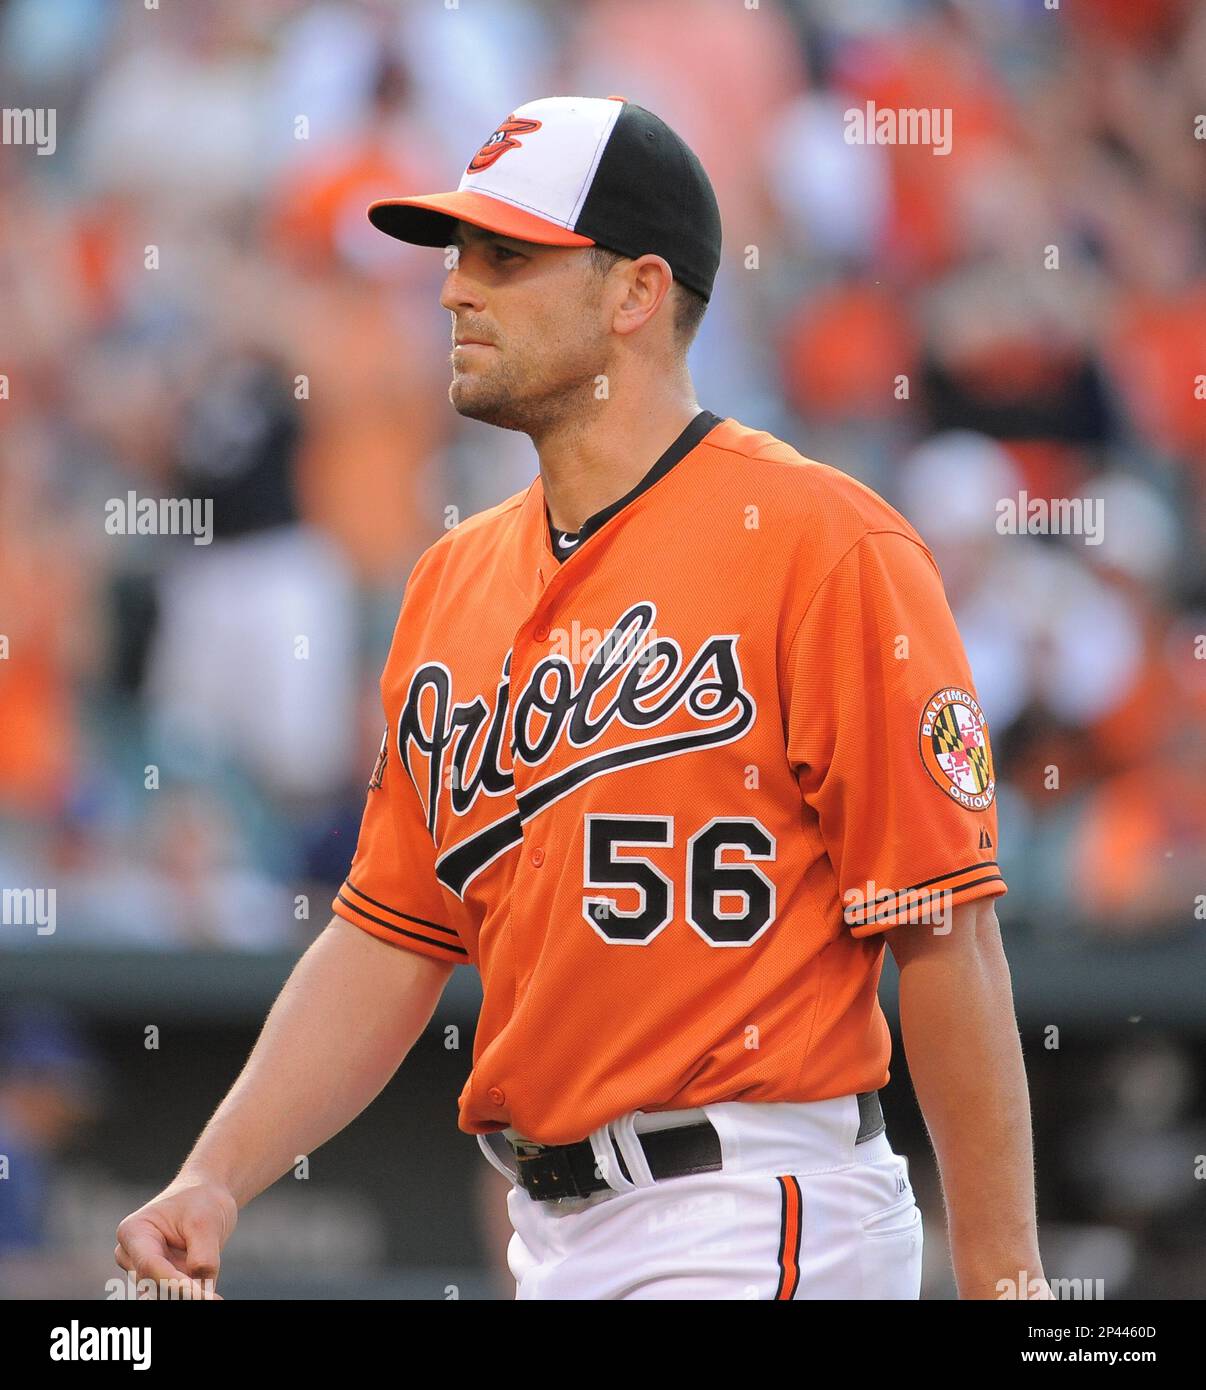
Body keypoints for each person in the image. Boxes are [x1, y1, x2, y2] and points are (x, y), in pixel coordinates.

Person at [116, 97, 1049, 1301]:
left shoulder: (822, 544)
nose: (456, 289)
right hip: (548, 1232)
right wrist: (218, 1172)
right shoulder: (453, 578)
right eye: (458, 256)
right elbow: (392, 932)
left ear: (635, 293)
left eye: (506, 257)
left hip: (753, 1205)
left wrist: (1007, 1280)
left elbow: (946, 927)